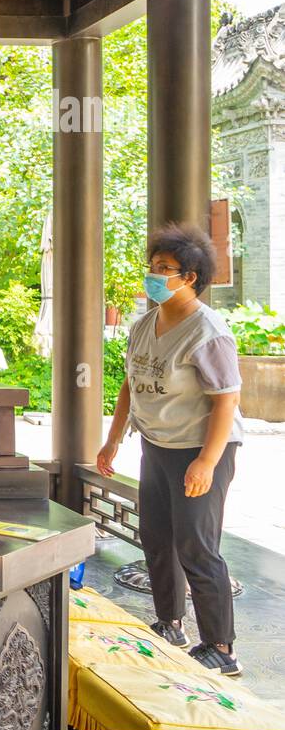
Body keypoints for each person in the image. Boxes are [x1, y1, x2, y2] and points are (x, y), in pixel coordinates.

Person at [97, 222, 245, 676]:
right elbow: (130, 383)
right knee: (157, 539)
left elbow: (227, 399)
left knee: (196, 547)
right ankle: (170, 623)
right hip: (158, 445)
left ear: (191, 277)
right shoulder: (145, 323)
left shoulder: (208, 330)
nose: (155, 275)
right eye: (153, 266)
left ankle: (221, 647)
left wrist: (207, 461)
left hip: (200, 448)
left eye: (166, 268)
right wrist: (113, 437)